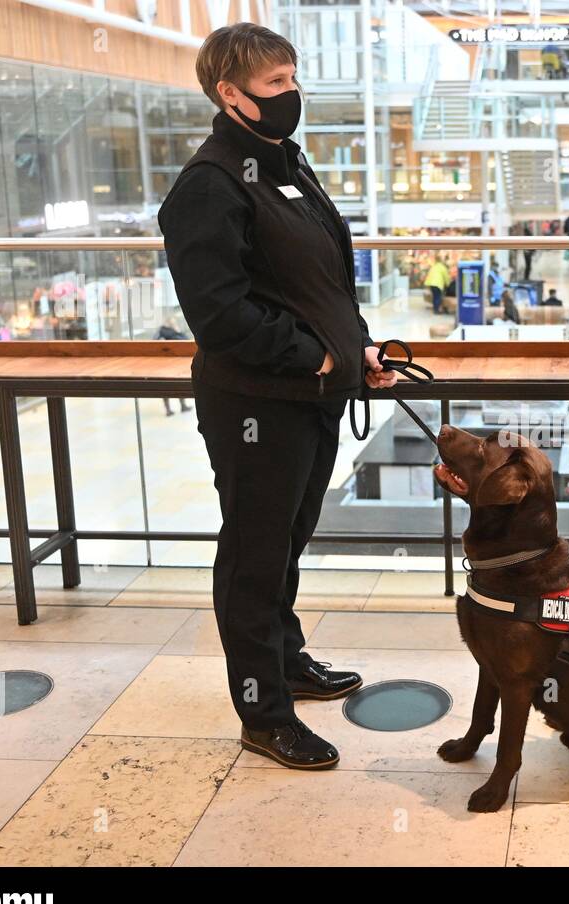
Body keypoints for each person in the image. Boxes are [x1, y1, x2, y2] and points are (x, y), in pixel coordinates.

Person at [158, 22, 398, 771]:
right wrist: (317, 355)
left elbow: (320, 278)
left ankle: (287, 659)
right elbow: (221, 314)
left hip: (311, 394)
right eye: (275, 85)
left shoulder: (283, 163)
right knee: (255, 556)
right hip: (257, 402)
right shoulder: (210, 184)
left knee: (289, 540)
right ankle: (263, 711)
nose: (292, 94)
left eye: (293, 79)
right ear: (229, 94)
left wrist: (355, 348)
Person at [154, 316, 193, 414]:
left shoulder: (160, 333)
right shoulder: (173, 333)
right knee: (177, 385)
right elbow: (186, 341)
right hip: (173, 364)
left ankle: (170, 409)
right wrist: (178, 331)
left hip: (164, 365)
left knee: (165, 386)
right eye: (174, 323)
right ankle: (180, 406)